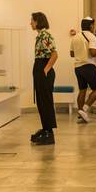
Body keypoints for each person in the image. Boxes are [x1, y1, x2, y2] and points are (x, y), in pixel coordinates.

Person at [30, 12, 58, 145]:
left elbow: (54, 54)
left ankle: (49, 132)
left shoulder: (45, 35)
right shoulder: (40, 36)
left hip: (44, 71)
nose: (30, 23)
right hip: (40, 69)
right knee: (41, 102)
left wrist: (45, 70)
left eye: (32, 21)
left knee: (46, 102)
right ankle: (45, 128)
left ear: (38, 21)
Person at [68, 17, 96, 123]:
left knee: (82, 90)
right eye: (93, 25)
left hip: (78, 67)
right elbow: (92, 52)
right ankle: (85, 109)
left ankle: (81, 114)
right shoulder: (92, 36)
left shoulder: (75, 37)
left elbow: (72, 54)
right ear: (91, 25)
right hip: (89, 66)